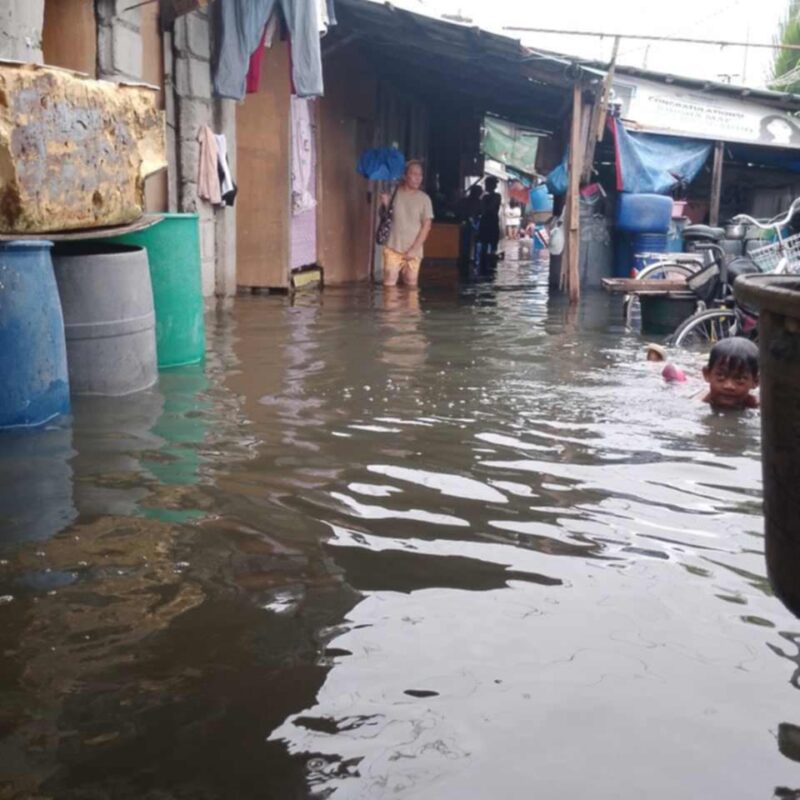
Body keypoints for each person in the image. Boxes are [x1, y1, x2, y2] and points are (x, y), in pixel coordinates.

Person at [380, 160, 434, 288]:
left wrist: (414, 249)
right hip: (393, 247)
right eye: (414, 174)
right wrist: (385, 204)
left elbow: (427, 226)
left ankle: (408, 309)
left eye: (420, 175)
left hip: (414, 249)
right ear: (405, 176)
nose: (418, 178)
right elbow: (386, 217)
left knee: (411, 285)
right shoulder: (394, 194)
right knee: (389, 284)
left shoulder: (424, 199)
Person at [702, 337, 759, 410]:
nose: (729, 386)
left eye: (739, 378)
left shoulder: (757, 405)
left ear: (756, 382)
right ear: (707, 374)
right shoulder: (697, 404)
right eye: (721, 376)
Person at [477, 176, 502, 262]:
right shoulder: (485, 197)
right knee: (485, 242)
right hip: (487, 221)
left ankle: (490, 258)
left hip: (491, 220)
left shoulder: (496, 196)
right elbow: (482, 209)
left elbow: (488, 208)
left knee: (492, 242)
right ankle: (486, 259)